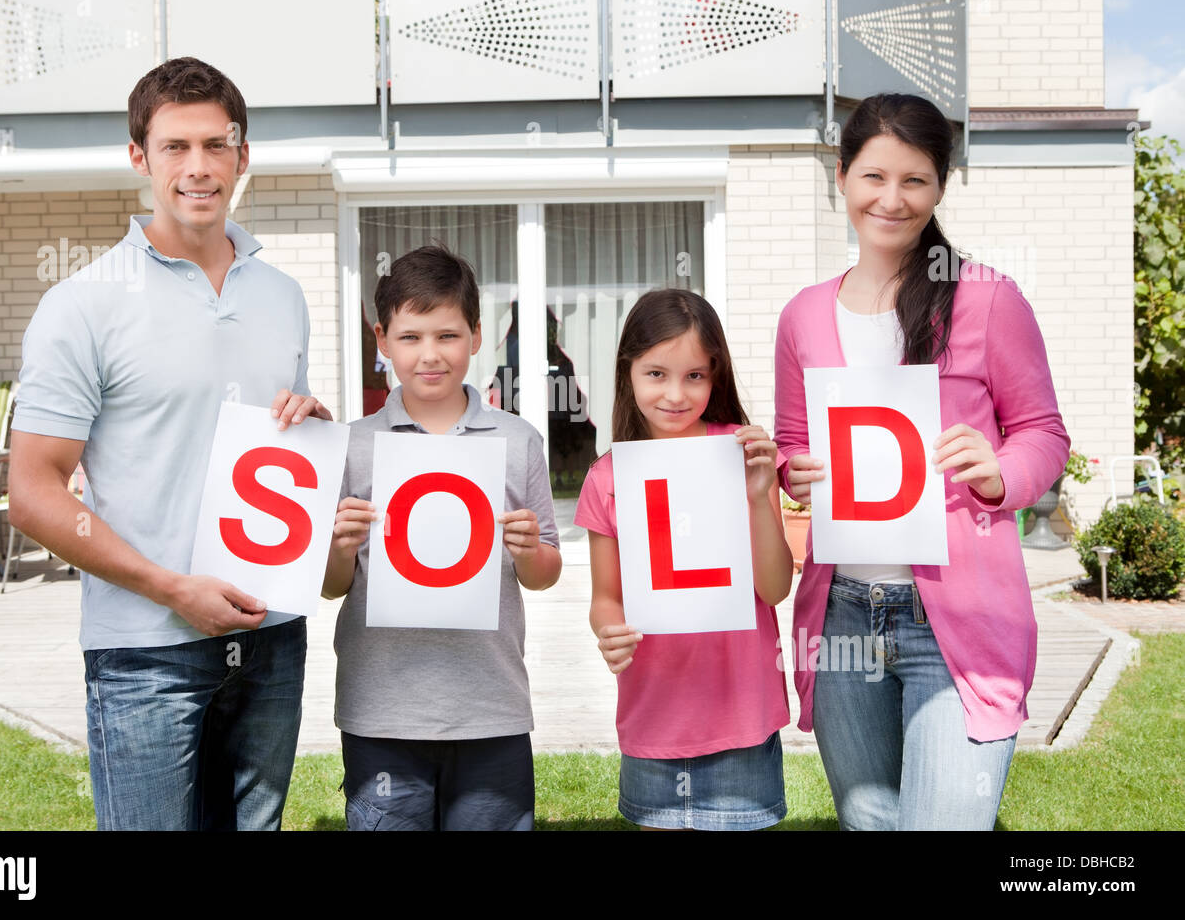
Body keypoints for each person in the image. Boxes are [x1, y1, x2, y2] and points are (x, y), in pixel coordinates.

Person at [8, 57, 330, 830]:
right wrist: (169, 587)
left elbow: (279, 457)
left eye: (217, 146)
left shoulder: (282, 297)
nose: (198, 167)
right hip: (145, 652)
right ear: (138, 158)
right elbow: (34, 491)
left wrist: (310, 430)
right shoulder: (82, 304)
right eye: (175, 147)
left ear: (243, 155)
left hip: (270, 636)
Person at [773, 93, 1071, 830]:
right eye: (874, 176)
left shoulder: (986, 299)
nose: (892, 199)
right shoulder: (804, 316)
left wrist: (1001, 472)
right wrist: (795, 472)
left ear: (941, 185)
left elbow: (1043, 432)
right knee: (869, 822)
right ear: (841, 177)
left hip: (957, 619)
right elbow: (789, 446)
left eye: (915, 180)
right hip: (843, 614)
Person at [322, 243, 562, 831]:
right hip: (382, 707)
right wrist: (339, 546)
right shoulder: (351, 445)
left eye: (448, 336)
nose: (430, 355)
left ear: (477, 336)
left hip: (490, 706)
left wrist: (530, 551)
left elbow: (546, 571)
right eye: (410, 337)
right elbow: (331, 588)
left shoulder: (517, 440)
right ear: (381, 340)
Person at [574, 288, 794, 830]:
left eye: (695, 375)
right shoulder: (607, 478)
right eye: (656, 374)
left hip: (743, 714)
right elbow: (606, 599)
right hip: (656, 715)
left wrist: (759, 494)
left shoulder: (743, 455)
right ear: (628, 371)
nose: (676, 393)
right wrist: (609, 632)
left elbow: (774, 586)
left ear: (716, 376)